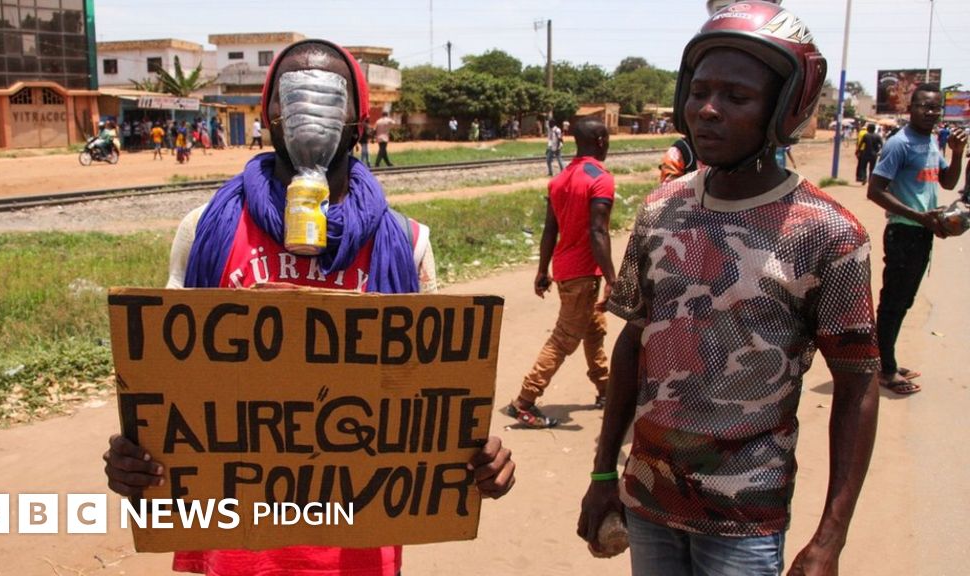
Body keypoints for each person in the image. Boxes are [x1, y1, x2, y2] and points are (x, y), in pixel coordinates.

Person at [103, 39, 516, 576]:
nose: (308, 114)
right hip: (237, 548)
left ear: (358, 120)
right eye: (290, 95)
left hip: (357, 550)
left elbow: (429, 400)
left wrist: (474, 460)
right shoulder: (205, 229)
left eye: (329, 97)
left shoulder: (407, 244)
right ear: (268, 113)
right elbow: (169, 385)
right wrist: (136, 456)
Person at [577, 4, 881, 575]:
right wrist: (601, 473)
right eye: (699, 92)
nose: (707, 110)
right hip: (648, 500)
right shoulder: (660, 210)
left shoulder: (829, 234)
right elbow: (632, 344)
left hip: (745, 518)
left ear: (783, 110)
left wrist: (831, 537)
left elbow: (858, 384)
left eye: (736, 97)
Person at [506, 118, 616, 428]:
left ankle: (606, 389)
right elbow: (598, 231)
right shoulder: (600, 179)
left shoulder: (560, 179)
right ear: (601, 141)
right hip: (583, 273)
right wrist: (613, 278)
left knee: (593, 329)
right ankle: (524, 402)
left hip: (566, 269)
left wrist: (542, 270)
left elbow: (549, 230)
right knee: (564, 338)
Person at [868, 83, 967, 395]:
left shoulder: (930, 142)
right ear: (910, 109)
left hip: (921, 232)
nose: (931, 112)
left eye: (936, 107)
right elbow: (875, 191)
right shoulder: (900, 144)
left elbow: (947, 182)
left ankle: (885, 360)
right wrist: (919, 216)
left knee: (904, 301)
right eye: (924, 106)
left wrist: (957, 153)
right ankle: (885, 370)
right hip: (903, 232)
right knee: (893, 302)